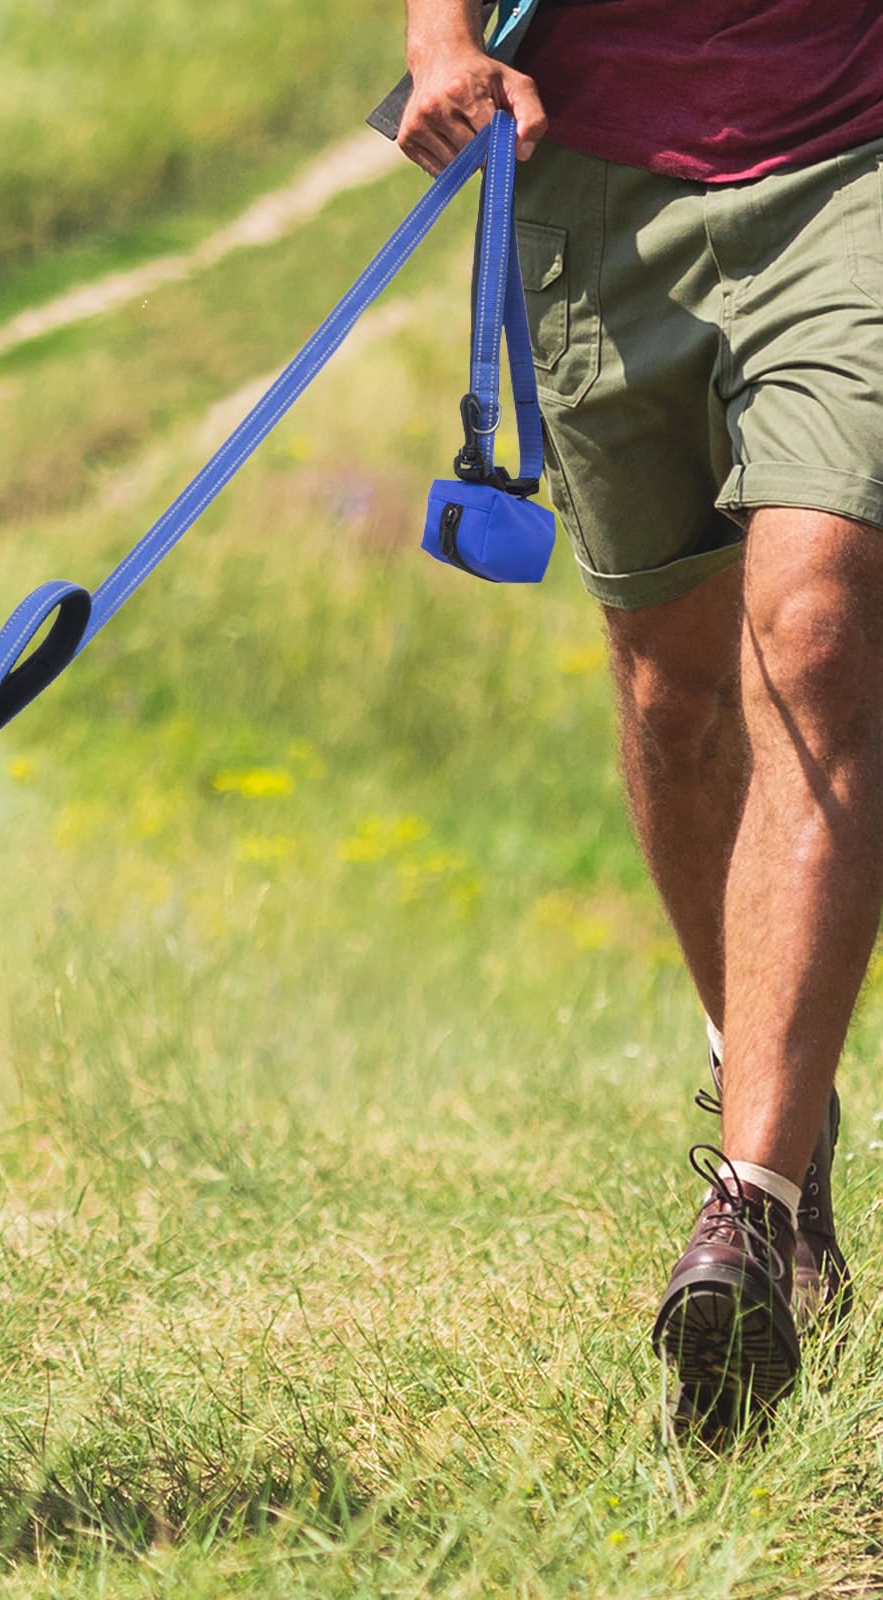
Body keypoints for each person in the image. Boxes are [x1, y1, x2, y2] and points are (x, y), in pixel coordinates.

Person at [394, 0, 883, 1434]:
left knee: (818, 624)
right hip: (591, 175)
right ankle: (778, 1110)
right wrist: (439, 40)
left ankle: (754, 1203)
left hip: (849, 159)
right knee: (672, 699)